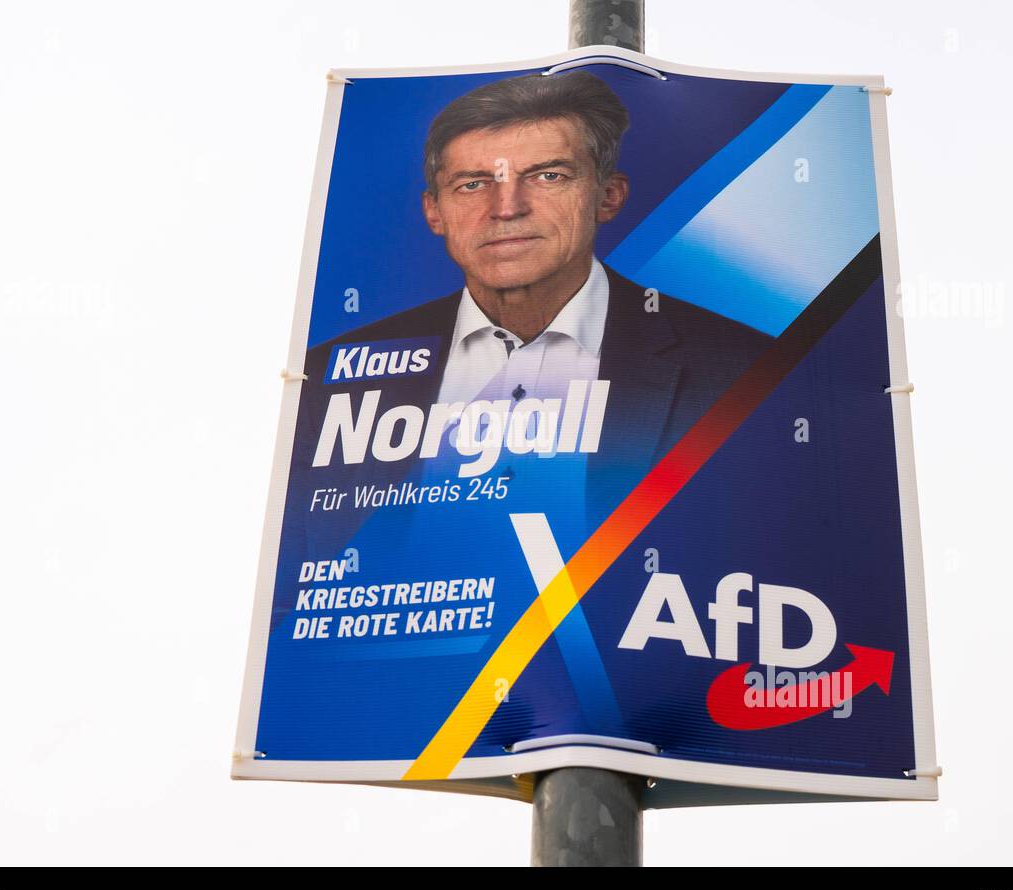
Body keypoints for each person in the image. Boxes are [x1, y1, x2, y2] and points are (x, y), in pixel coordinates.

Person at [278, 70, 772, 579]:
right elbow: (290, 590)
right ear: (434, 212)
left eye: (547, 176)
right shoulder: (332, 379)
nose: (506, 209)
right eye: (473, 184)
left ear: (608, 196)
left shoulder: (746, 370)